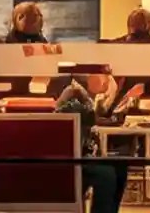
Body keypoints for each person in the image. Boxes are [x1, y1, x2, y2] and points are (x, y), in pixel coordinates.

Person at [55, 69, 141, 213]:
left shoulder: (87, 98)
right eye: (104, 77)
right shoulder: (74, 95)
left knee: (120, 166)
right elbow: (88, 119)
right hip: (73, 157)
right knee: (107, 174)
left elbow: (94, 118)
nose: (107, 81)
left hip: (85, 152)